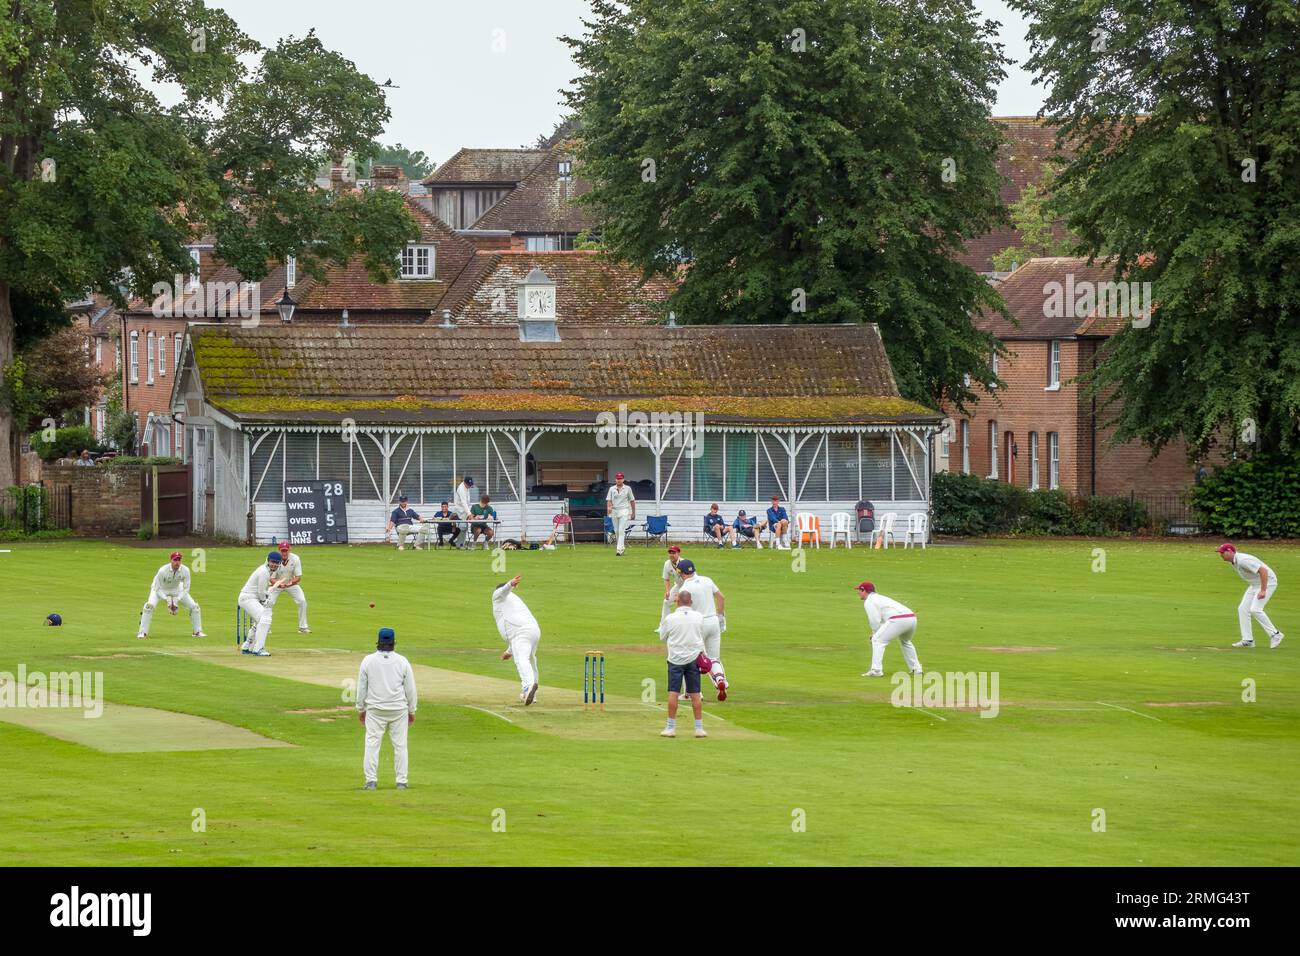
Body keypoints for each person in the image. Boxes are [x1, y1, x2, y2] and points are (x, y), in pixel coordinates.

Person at [357, 627, 417, 791]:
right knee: (400, 746)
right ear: (393, 642)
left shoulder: (368, 660)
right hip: (398, 709)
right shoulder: (402, 661)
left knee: (372, 744)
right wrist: (412, 710)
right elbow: (410, 689)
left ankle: (371, 781)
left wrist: (361, 708)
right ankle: (401, 782)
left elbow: (361, 687)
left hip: (375, 710)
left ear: (378, 642)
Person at [675, 559, 729, 699]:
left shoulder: (684, 589)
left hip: (698, 625)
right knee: (714, 658)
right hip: (714, 622)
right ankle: (720, 680)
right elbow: (721, 598)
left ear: (681, 573)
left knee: (690, 658)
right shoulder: (707, 580)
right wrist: (721, 617)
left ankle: (691, 693)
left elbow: (681, 609)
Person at [657, 591, 709, 738]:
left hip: (675, 660)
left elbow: (662, 635)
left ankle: (670, 728)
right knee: (695, 694)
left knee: (673, 692)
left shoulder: (671, 618)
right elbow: (699, 635)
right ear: (690, 602)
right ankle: (699, 729)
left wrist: (665, 608)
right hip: (693, 658)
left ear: (677, 601)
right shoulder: (699, 617)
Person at [1217, 543, 1284, 648]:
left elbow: (1263, 571)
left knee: (1255, 609)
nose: (1220, 555)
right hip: (1255, 584)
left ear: (1230, 552)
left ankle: (1275, 634)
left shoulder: (1243, 560)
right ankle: (1248, 640)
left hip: (1268, 582)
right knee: (1243, 609)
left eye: (1222, 553)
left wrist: (1263, 590)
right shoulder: (1234, 561)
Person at [492, 575, 541, 705]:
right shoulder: (515, 601)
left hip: (521, 632)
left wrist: (510, 584)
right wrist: (509, 651)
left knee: (521, 660)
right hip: (533, 631)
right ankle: (531, 694)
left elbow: (502, 591)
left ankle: (528, 687)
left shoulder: (497, 596)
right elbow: (516, 637)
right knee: (531, 660)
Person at [856, 581, 922, 677]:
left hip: (899, 619)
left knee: (877, 640)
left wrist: (875, 633)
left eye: (859, 590)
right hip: (911, 618)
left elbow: (874, 620)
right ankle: (917, 669)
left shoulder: (869, 601)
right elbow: (884, 618)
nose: (858, 592)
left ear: (864, 590)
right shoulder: (880, 598)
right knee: (906, 641)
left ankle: (876, 670)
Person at [137, 550, 205, 639]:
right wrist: (167, 599)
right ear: (171, 560)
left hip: (177, 589)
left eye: (179, 560)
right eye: (175, 560)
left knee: (194, 607)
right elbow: (157, 588)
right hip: (160, 589)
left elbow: (186, 588)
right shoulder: (162, 571)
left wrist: (177, 599)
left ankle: (197, 632)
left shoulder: (185, 570)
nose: (177, 562)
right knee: (149, 606)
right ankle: (142, 633)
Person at [238, 552, 281, 656]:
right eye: (272, 562)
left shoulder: (266, 571)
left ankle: (247, 645)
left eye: (276, 563)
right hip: (248, 598)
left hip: (248, 598)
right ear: (268, 561)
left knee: (260, 621)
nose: (274, 564)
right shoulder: (264, 572)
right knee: (265, 618)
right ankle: (258, 648)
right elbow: (261, 592)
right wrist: (264, 601)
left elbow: (262, 590)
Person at [268, 540, 310, 633]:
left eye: (286, 550)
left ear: (289, 550)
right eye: (282, 551)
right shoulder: (274, 559)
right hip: (276, 584)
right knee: (268, 602)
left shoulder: (295, 559)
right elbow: (270, 578)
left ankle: (303, 627)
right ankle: (266, 627)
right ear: (279, 550)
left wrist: (289, 583)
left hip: (291, 584)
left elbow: (298, 577)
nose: (284, 553)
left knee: (302, 601)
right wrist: (279, 584)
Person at [606, 471, 636, 556]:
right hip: (614, 510)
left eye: (620, 479)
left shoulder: (628, 488)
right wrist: (608, 509)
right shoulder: (612, 489)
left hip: (624, 510)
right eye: (617, 479)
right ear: (615, 480)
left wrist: (633, 513)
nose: (619, 480)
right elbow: (609, 500)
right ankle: (622, 549)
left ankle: (618, 550)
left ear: (623, 479)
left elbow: (632, 500)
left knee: (621, 530)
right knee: (616, 531)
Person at [659, 545, 685, 628]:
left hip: (689, 586)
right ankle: (663, 626)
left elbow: (689, 579)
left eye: (674, 553)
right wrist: (667, 591)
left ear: (678, 553)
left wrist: (681, 593)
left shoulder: (684, 563)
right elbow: (666, 579)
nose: (671, 555)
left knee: (689, 605)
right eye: (670, 553)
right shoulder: (667, 563)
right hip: (678, 585)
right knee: (666, 602)